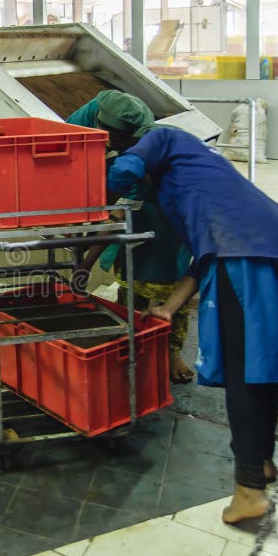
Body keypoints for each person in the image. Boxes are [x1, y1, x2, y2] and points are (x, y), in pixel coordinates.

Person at [105, 123, 278, 524]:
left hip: (244, 251)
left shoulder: (164, 137)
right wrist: (169, 308)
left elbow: (124, 170)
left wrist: (96, 191)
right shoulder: (201, 174)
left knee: (244, 368)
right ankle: (261, 461)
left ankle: (248, 491)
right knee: (265, 362)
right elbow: (203, 259)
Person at [68, 90, 195, 384]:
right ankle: (136, 347)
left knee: (170, 302)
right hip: (135, 250)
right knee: (131, 301)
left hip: (168, 241)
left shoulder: (155, 158)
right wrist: (85, 264)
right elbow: (116, 217)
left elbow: (118, 214)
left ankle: (171, 353)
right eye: (104, 130)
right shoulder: (96, 127)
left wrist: (86, 263)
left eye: (113, 134)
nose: (107, 137)